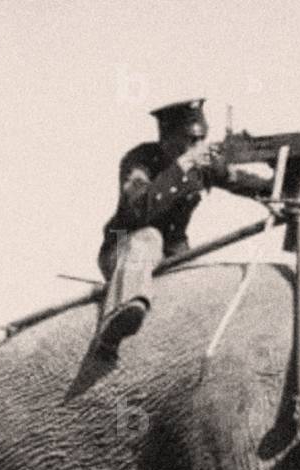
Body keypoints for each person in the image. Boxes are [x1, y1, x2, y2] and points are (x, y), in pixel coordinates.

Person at [96, 98, 273, 354]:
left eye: (202, 139)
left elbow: (245, 183)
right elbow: (139, 209)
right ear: (168, 139)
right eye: (192, 141)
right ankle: (120, 318)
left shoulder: (202, 164)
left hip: (173, 253)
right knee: (149, 236)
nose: (200, 147)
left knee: (197, 282)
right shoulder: (139, 162)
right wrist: (184, 164)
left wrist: (284, 174)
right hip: (124, 248)